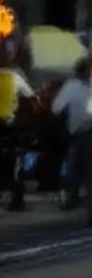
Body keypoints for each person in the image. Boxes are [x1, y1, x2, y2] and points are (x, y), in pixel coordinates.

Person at [0, 46, 37, 210]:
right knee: (13, 157)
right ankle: (13, 190)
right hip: (7, 125)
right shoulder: (14, 77)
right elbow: (31, 98)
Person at [51, 56, 92, 209]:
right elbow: (56, 108)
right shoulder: (71, 86)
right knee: (77, 166)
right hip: (81, 133)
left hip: (81, 133)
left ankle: (73, 197)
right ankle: (73, 197)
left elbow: (56, 109)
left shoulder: (71, 86)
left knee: (75, 166)